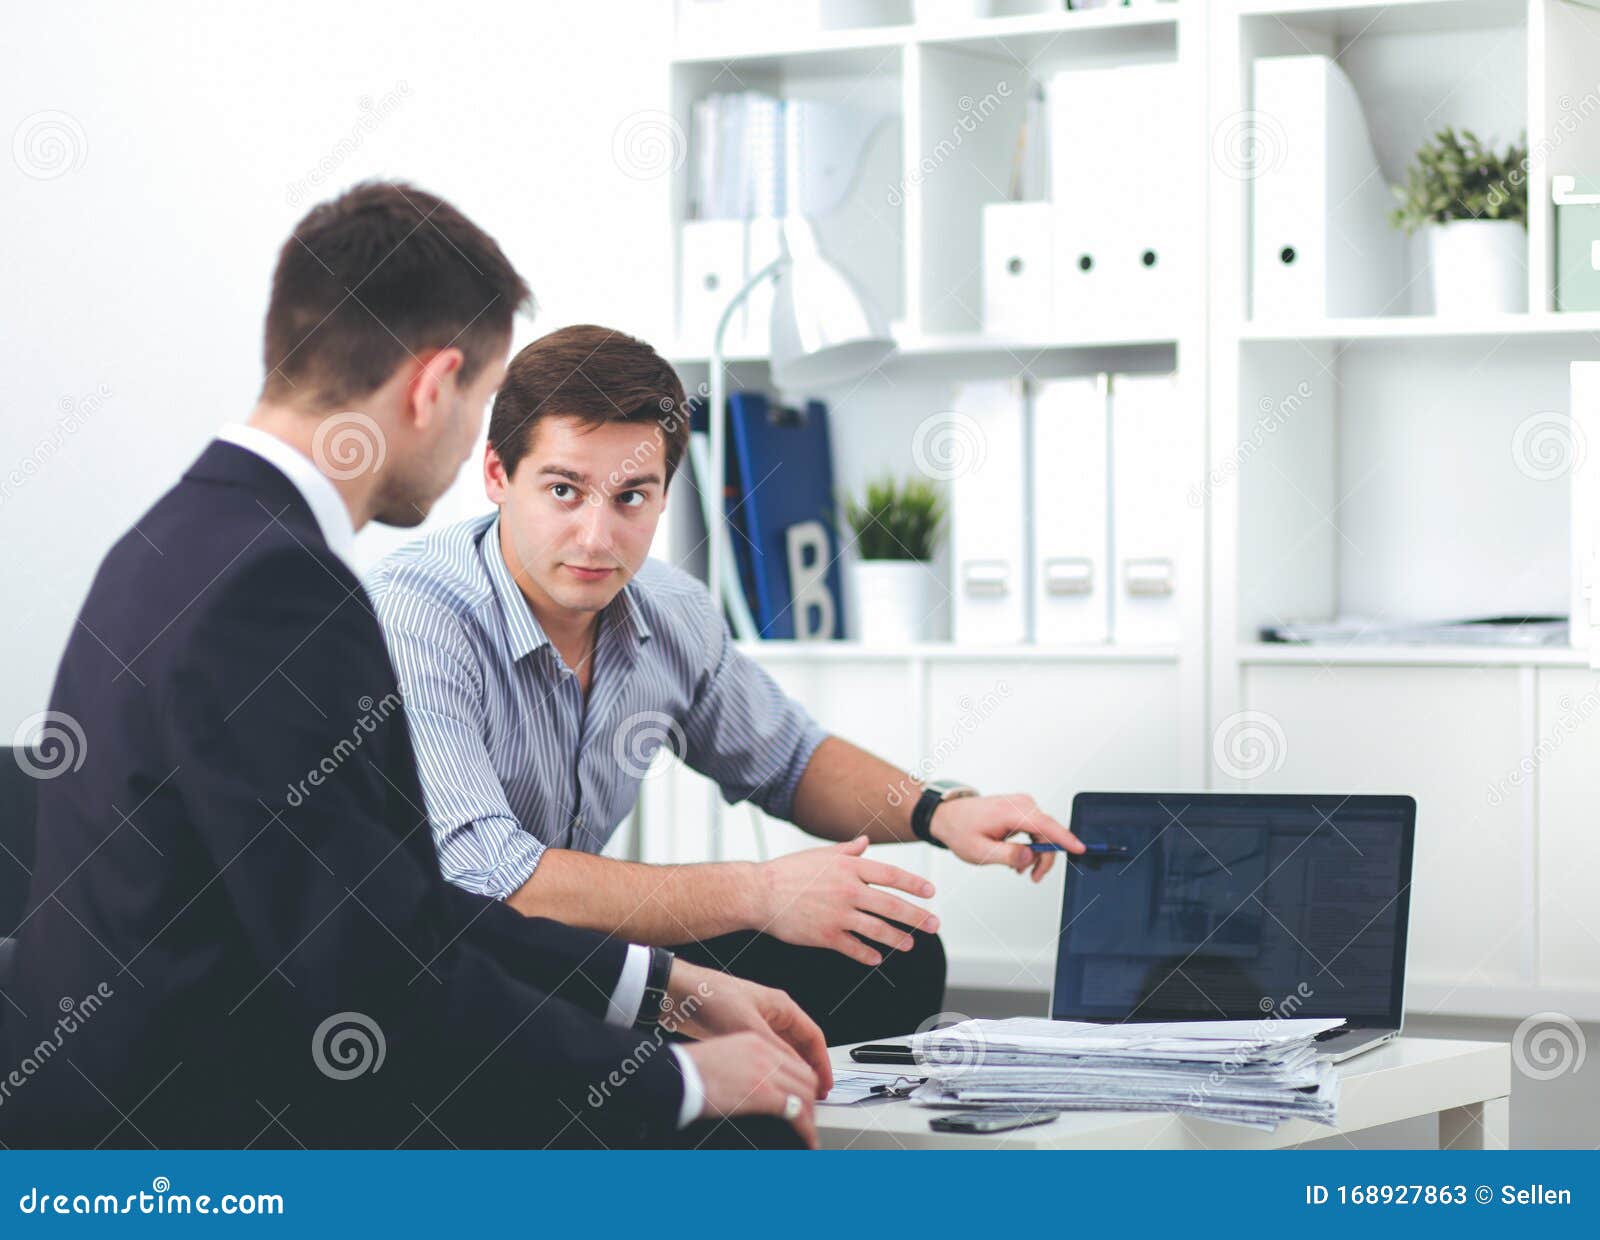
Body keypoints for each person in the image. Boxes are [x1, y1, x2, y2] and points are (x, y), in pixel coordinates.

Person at [0, 182, 830, 1150]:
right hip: (192, 1134)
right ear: (434, 386)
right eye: (481, 403)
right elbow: (367, 966)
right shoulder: (276, 589)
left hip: (148, 1094)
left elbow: (376, 902)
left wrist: (668, 985)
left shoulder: (186, 533)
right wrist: (673, 1075)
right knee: (730, 1133)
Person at [365, 325, 1087, 1047]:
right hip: (426, 970)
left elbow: (789, 761)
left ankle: (788, 1133)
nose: (596, 536)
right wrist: (760, 892)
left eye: (630, 498)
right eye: (564, 490)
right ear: (497, 474)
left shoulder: (669, 610)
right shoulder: (419, 616)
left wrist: (940, 813)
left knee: (885, 949)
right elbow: (495, 881)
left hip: (570, 958)